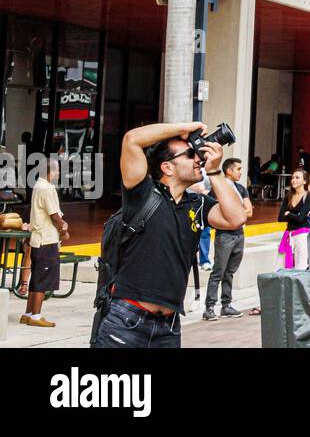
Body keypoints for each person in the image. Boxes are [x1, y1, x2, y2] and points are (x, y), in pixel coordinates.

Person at [92, 122, 247, 348]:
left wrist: (214, 171)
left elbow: (235, 218)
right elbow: (132, 139)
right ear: (167, 167)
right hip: (127, 321)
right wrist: (182, 128)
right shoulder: (143, 194)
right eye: (190, 154)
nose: (199, 159)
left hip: (169, 326)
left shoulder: (197, 204)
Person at [21, 154, 69, 329]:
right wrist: (63, 229)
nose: (57, 174)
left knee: (36, 278)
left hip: (37, 239)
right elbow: (55, 215)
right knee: (43, 279)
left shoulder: (38, 185)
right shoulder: (47, 188)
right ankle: (36, 315)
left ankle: (28, 314)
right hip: (46, 240)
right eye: (56, 171)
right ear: (49, 172)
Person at [203, 157, 254, 320]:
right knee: (218, 271)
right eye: (238, 169)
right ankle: (209, 307)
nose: (240, 172)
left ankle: (226, 305)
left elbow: (249, 211)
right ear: (229, 171)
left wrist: (235, 214)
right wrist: (237, 213)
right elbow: (219, 212)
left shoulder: (241, 188)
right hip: (224, 235)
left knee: (230, 272)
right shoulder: (219, 189)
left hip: (239, 234)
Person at [277, 168, 310, 269]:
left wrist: (288, 214)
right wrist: (295, 215)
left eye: (297, 178)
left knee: (300, 265)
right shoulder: (288, 196)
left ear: (304, 181)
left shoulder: (309, 196)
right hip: (288, 234)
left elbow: (301, 219)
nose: (294, 180)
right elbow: (280, 218)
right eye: (293, 178)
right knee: (281, 265)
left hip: (302, 235)